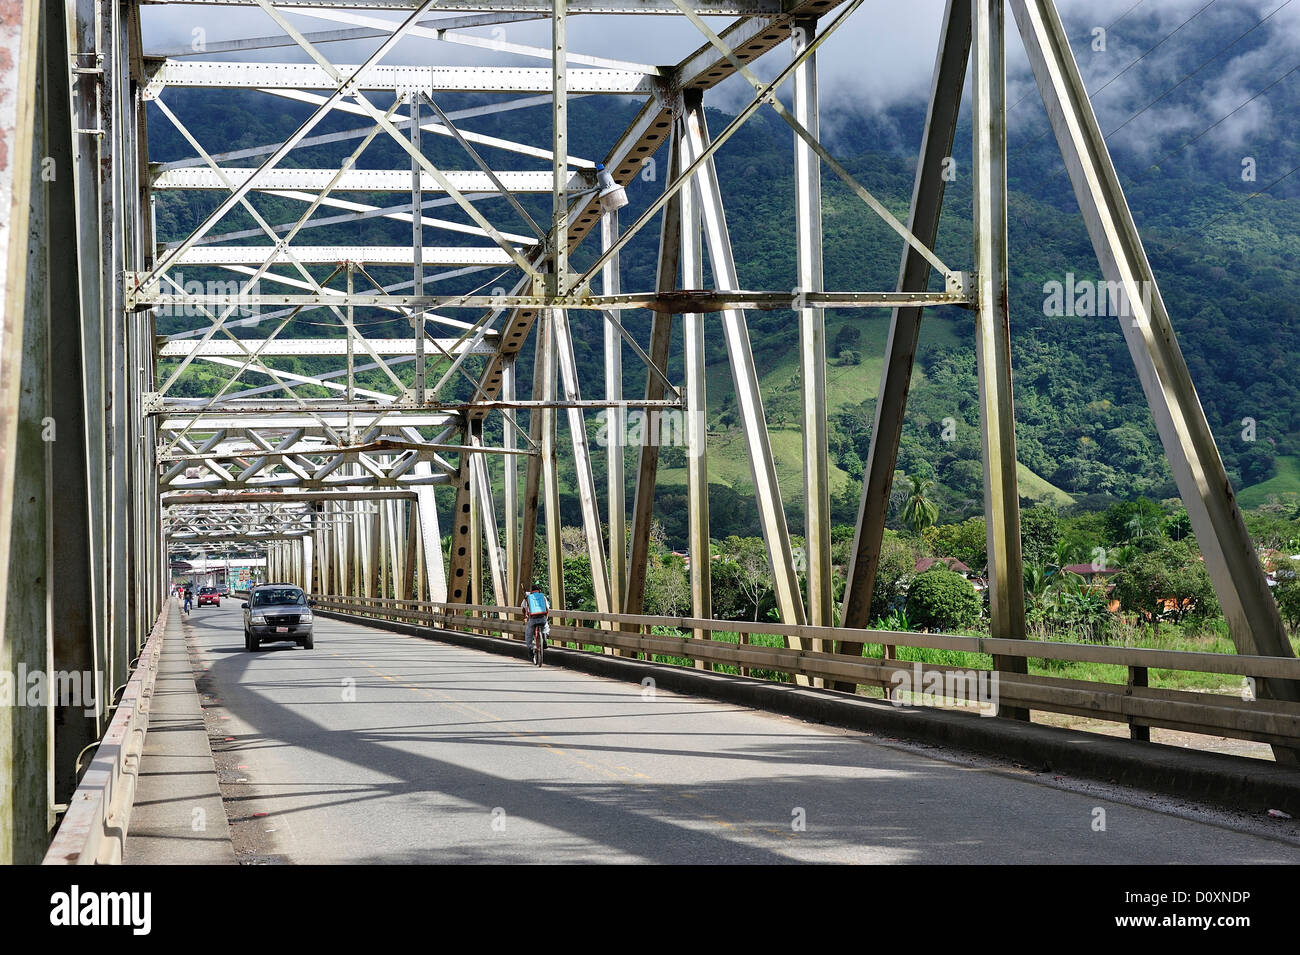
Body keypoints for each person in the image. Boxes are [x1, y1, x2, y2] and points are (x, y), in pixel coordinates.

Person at [522, 586, 550, 660]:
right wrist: (546, 618)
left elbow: (524, 609)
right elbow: (547, 609)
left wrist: (525, 617)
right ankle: (544, 639)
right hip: (542, 618)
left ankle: (530, 649)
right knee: (546, 628)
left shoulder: (528, 598)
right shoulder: (542, 597)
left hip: (533, 619)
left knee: (528, 634)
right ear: (539, 590)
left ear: (532, 591)